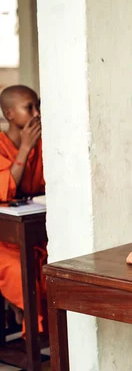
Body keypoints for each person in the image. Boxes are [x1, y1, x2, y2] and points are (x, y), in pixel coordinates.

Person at [0, 85, 45, 332]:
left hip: (34, 233)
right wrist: (25, 148)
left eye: (37, 106)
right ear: (9, 114)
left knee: (57, 262)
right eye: (29, 108)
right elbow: (5, 189)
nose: (37, 114)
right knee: (19, 270)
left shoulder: (41, 145)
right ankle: (32, 338)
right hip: (3, 239)